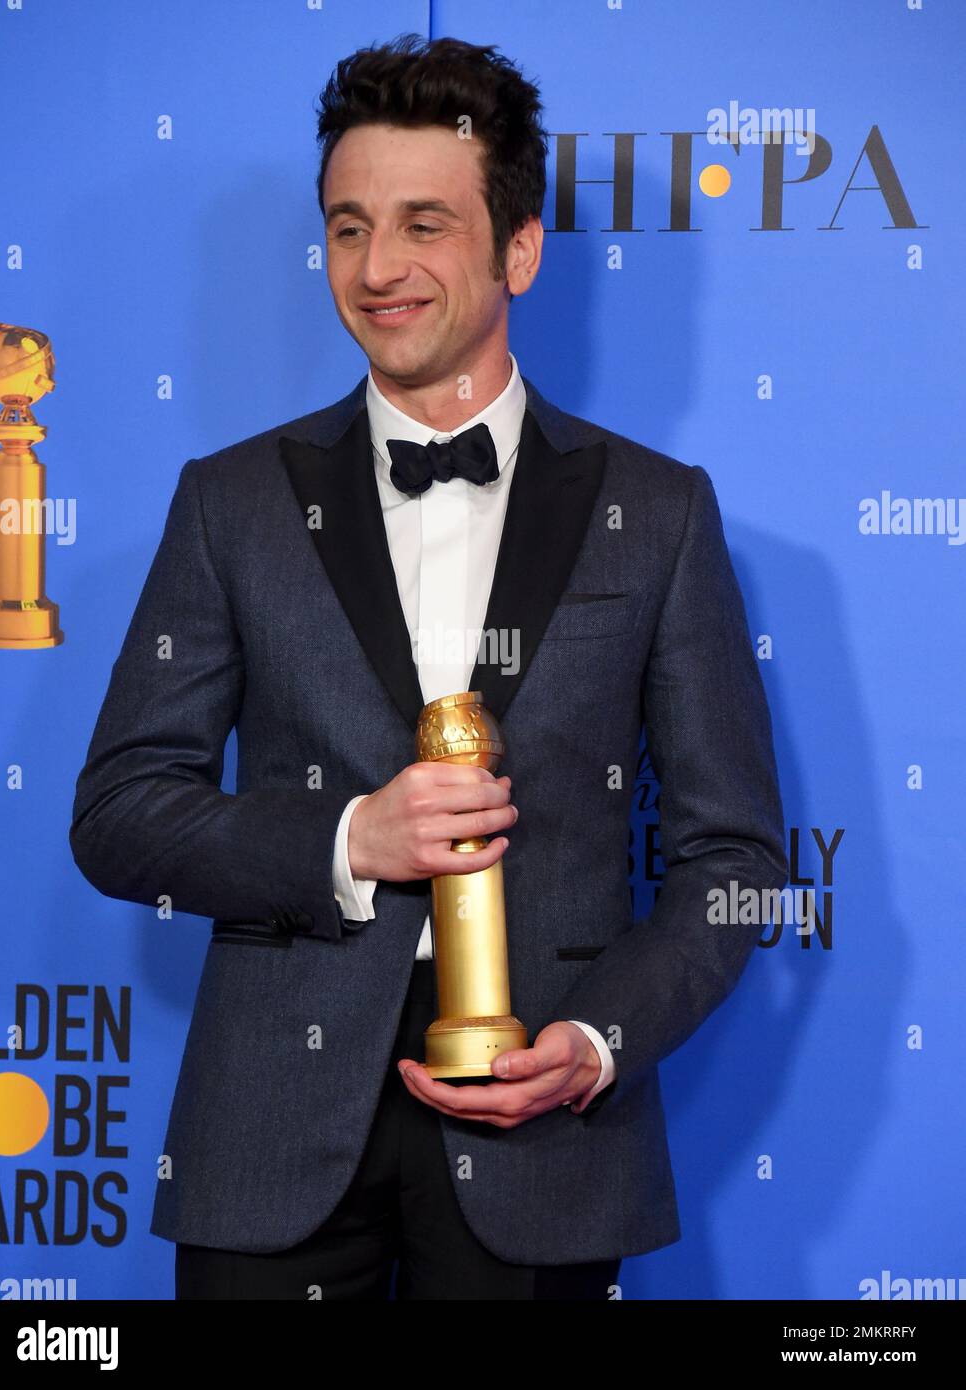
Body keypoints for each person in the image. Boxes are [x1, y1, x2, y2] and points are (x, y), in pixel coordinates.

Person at [69, 34, 788, 1301]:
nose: (378, 269)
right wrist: (350, 837)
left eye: (423, 224)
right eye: (349, 228)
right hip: (269, 1138)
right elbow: (121, 812)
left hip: (548, 1145)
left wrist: (595, 1041)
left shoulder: (661, 510)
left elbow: (732, 862)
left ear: (519, 249)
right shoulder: (229, 502)